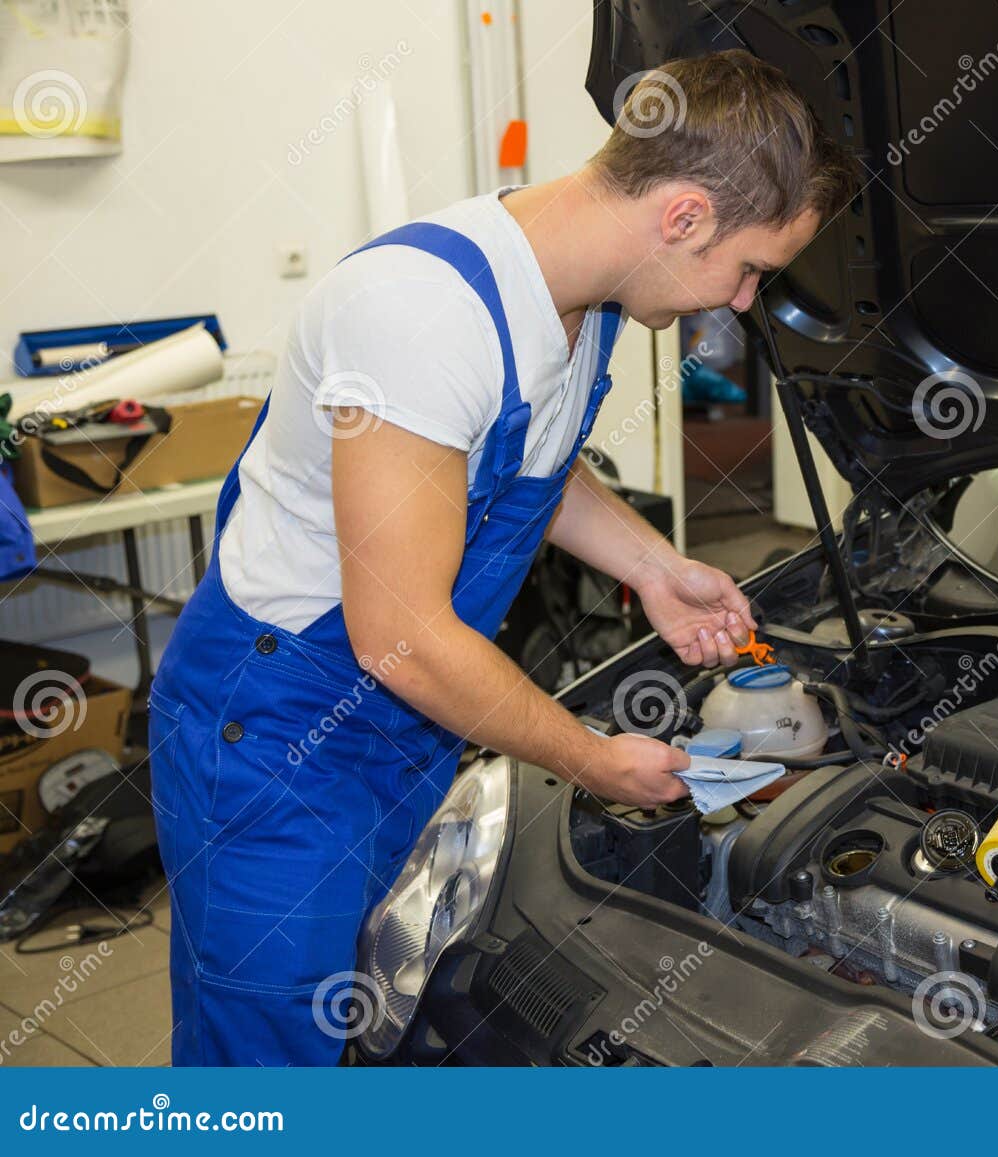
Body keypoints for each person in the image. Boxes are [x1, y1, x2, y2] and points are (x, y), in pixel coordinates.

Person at [147, 49, 857, 1066]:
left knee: (368, 1009)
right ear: (684, 216)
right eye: (749, 269)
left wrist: (652, 563)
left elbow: (525, 464)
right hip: (275, 730)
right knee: (261, 1053)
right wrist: (588, 755)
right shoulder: (420, 318)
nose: (743, 302)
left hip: (402, 719)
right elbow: (399, 634)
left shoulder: (585, 296)